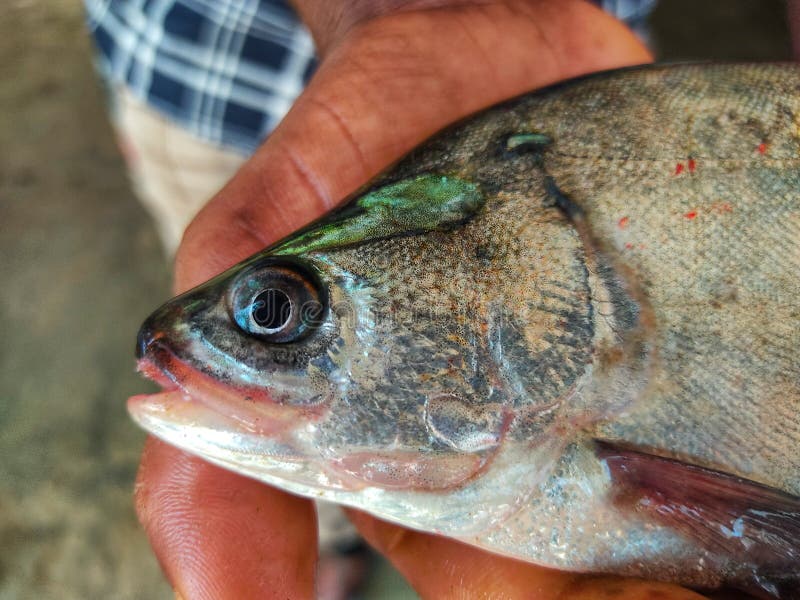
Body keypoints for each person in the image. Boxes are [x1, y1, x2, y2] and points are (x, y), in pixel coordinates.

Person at [88, 1, 712, 597]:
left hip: (600, 110)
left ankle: (334, 539)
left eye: (275, 313)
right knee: (269, 491)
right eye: (273, 314)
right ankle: (335, 540)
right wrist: (420, 12)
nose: (266, 323)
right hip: (215, 74)